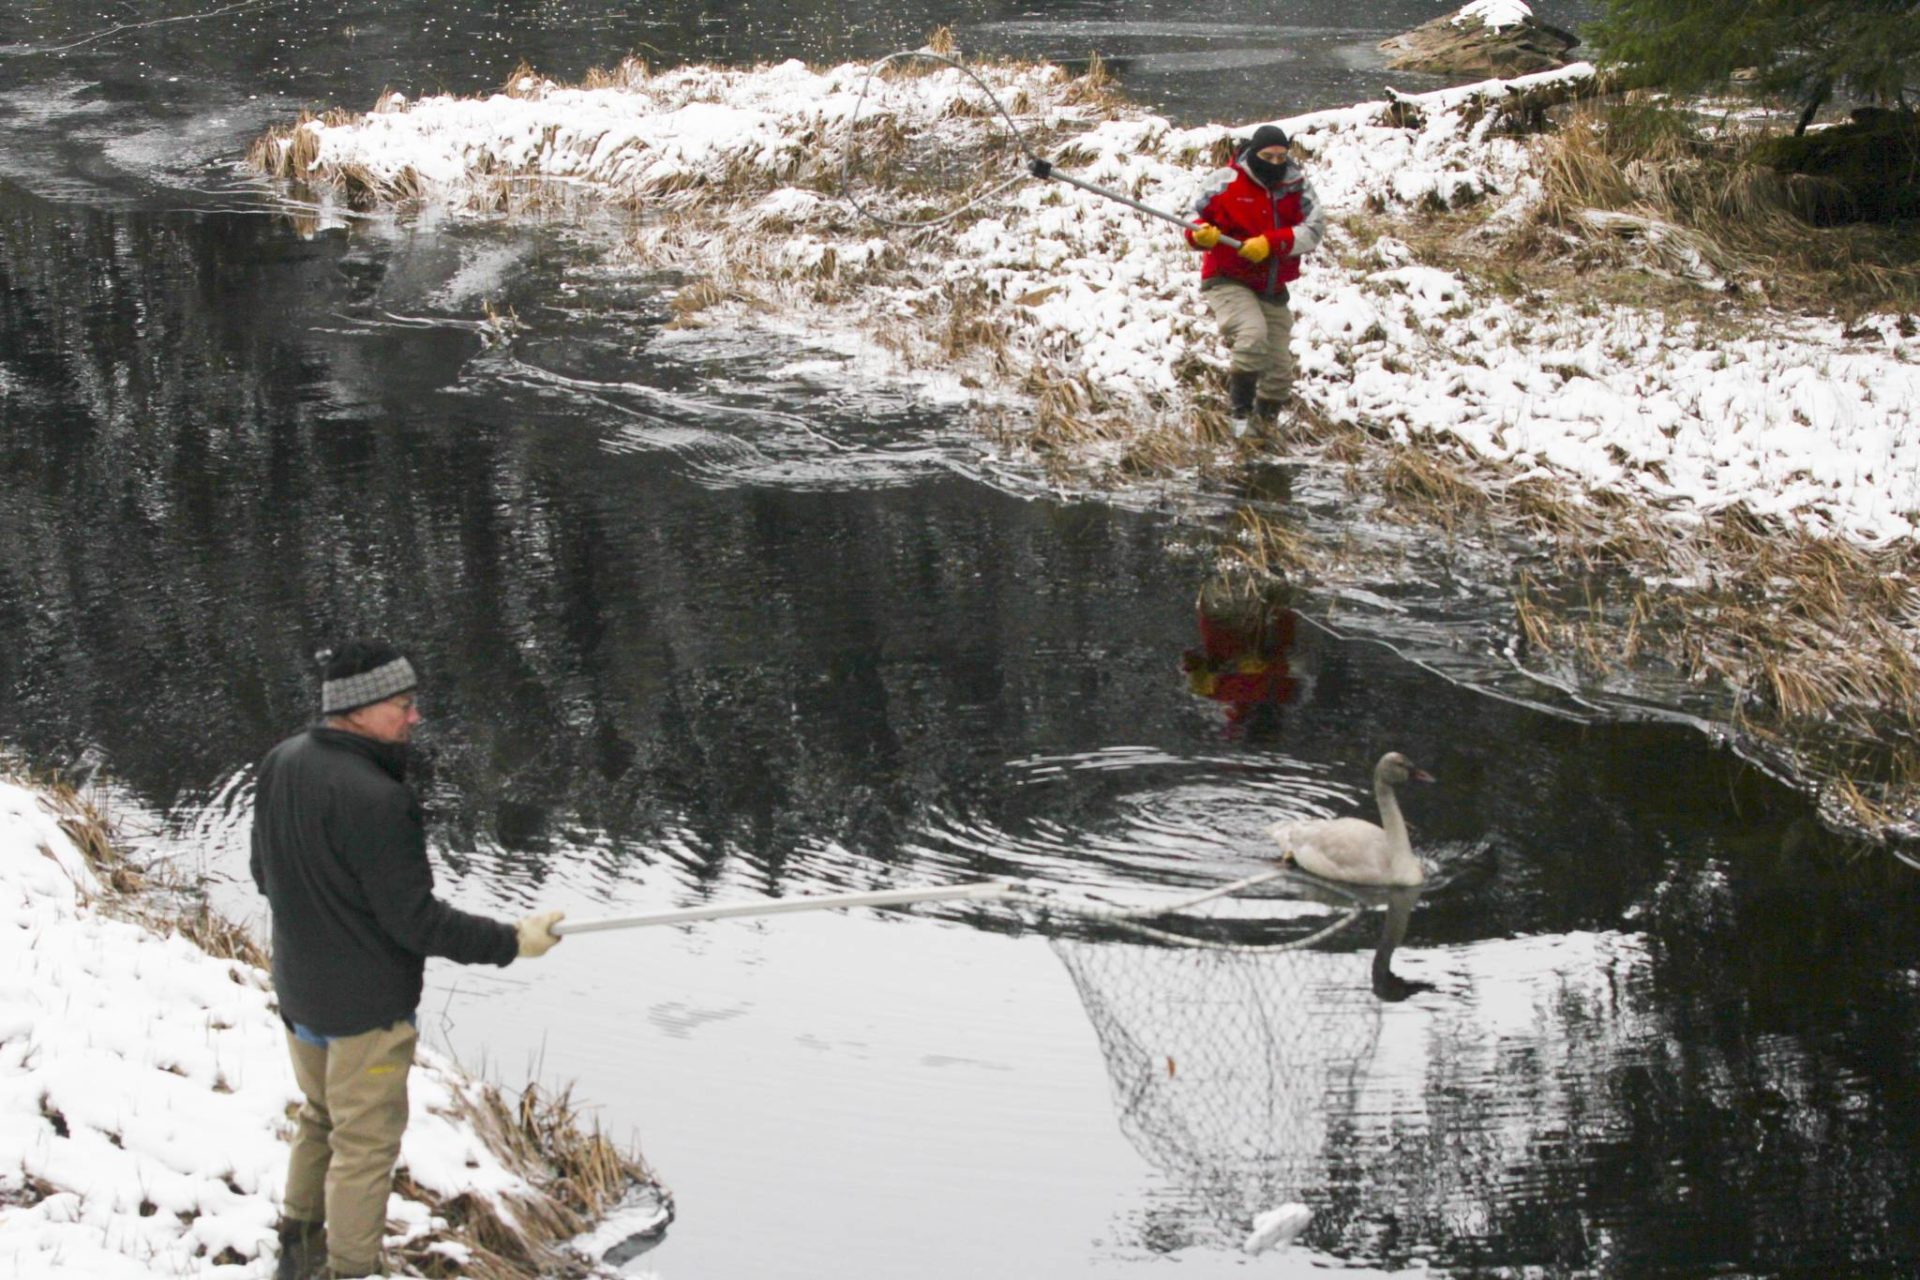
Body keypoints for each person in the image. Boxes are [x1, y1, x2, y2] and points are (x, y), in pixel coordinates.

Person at [250, 640, 566, 1279]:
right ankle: (349, 1270)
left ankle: (298, 1253)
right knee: (365, 1148)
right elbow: (415, 921)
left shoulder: (282, 762)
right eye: (402, 704)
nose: (414, 717)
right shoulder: (376, 798)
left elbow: (263, 874)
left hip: (301, 993)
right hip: (366, 1013)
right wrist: (512, 940)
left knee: (319, 1119)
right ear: (359, 710)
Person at [1185, 124, 1327, 436]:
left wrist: (1271, 243)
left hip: (1273, 286)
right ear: (1253, 154)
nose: (1275, 163)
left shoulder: (1296, 184)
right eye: (1268, 156)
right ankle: (1238, 418)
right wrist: (1201, 234)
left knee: (1278, 375)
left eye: (1281, 157)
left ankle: (1262, 433)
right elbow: (1191, 218)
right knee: (1252, 336)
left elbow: (1314, 229)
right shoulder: (1225, 181)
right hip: (1227, 279)